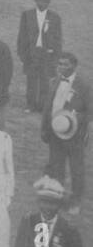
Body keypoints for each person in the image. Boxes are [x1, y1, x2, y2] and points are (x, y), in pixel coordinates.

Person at [41, 51, 88, 205]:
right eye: (59, 64)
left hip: (74, 134)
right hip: (55, 132)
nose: (61, 67)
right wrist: (45, 128)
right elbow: (48, 107)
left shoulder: (83, 85)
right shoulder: (54, 81)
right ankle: (57, 196)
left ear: (74, 66)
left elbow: (89, 110)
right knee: (56, 165)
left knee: (76, 169)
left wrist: (74, 118)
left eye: (65, 64)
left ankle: (75, 200)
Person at [17, 0, 62, 113]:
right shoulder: (27, 15)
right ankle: (30, 105)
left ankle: (42, 106)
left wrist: (56, 57)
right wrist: (22, 54)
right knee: (31, 80)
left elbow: (58, 39)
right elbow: (22, 36)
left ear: (49, 2)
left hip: (47, 53)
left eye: (45, 1)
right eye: (39, 1)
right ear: (35, 0)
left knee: (45, 80)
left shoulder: (55, 17)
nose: (42, 4)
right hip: (32, 53)